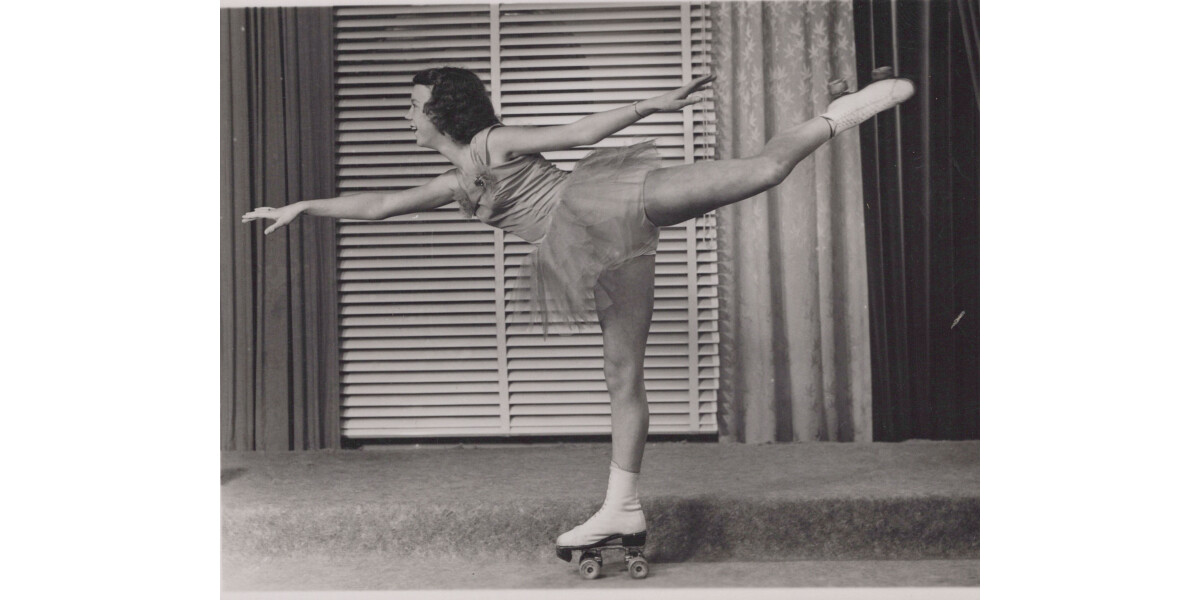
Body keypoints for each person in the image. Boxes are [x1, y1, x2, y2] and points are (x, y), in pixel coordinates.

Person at [242, 66, 914, 558]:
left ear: (442, 112)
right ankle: (622, 507)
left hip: (612, 202)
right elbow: (380, 206)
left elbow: (581, 131)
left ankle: (838, 115)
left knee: (762, 172)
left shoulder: (494, 143)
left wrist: (657, 102)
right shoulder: (455, 183)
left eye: (414, 107)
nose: (407, 118)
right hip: (599, 253)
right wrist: (304, 207)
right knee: (623, 378)